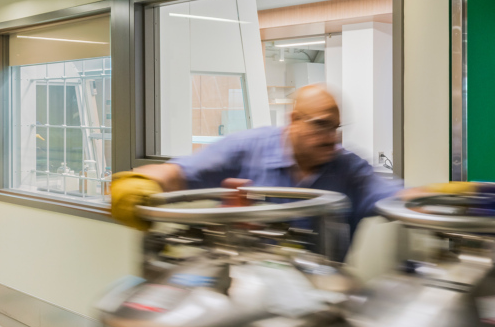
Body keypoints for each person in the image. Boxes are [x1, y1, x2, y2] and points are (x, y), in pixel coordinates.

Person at [110, 85, 402, 251]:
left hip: (320, 302)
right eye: (321, 125)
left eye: (336, 128)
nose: (331, 138)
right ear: (294, 119)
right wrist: (137, 183)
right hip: (245, 296)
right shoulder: (246, 148)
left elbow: (395, 196)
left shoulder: (348, 168)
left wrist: (439, 197)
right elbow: (178, 173)